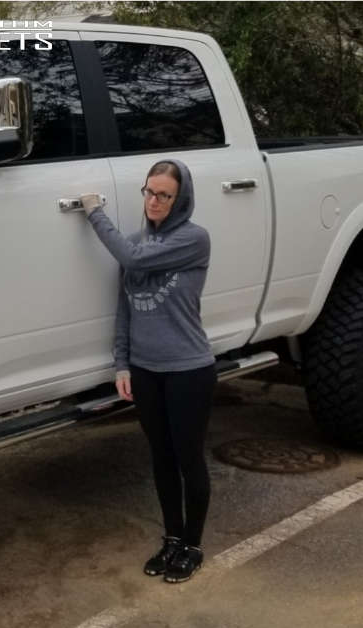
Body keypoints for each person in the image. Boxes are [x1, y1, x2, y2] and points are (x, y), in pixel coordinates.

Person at [79, 159, 216, 583]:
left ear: (181, 199)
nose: (154, 202)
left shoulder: (193, 239)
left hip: (188, 370)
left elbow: (132, 257)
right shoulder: (136, 242)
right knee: (161, 458)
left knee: (188, 459)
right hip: (145, 371)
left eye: (164, 195)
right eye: (149, 192)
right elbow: (124, 309)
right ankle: (172, 538)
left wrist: (94, 212)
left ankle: (193, 545)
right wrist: (122, 363)